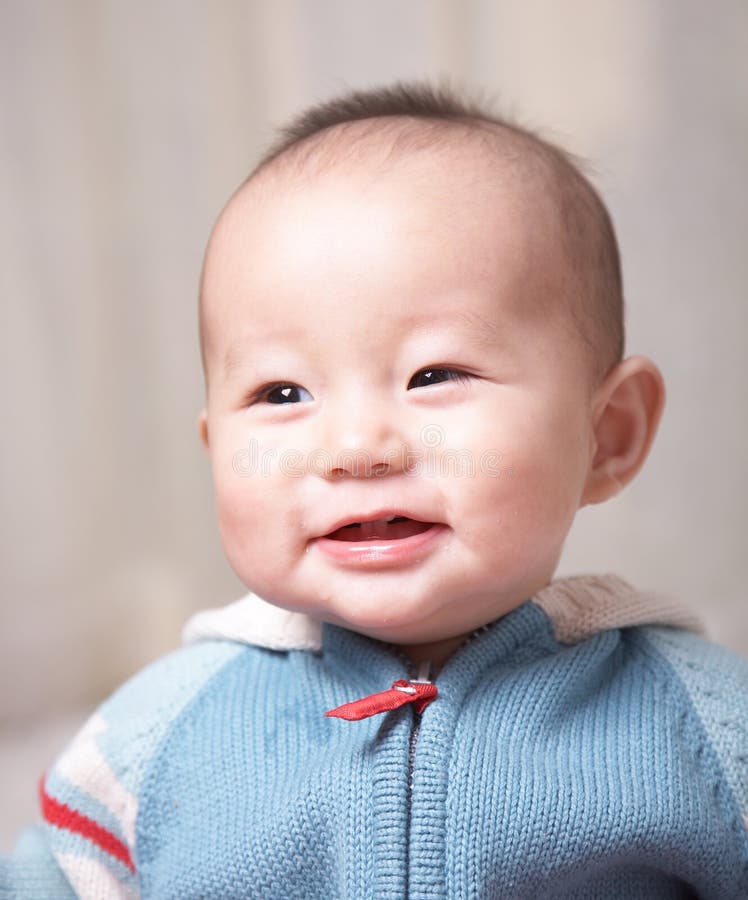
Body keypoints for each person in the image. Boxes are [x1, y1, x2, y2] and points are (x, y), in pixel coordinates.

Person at [2, 81, 747, 899]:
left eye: (434, 375)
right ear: (216, 448)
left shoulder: (704, 726)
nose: (355, 449)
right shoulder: (153, 740)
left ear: (608, 435)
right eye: (282, 394)